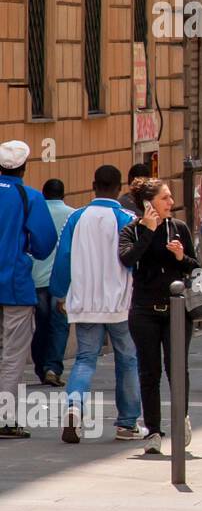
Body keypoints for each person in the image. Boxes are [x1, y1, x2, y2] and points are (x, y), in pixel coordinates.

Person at [50, 165, 143, 443]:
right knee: (127, 360)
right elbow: (135, 260)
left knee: (84, 359)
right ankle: (127, 423)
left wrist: (60, 293)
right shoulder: (127, 218)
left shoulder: (76, 218)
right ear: (118, 188)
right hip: (120, 303)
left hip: (85, 301)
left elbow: (63, 257)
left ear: (93, 185)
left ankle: (74, 408)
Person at [118, 177, 198, 455]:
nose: (171, 203)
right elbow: (128, 260)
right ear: (148, 203)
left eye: (170, 197)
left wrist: (180, 258)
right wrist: (149, 232)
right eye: (165, 198)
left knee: (177, 369)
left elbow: (194, 266)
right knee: (148, 371)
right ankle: (152, 430)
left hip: (177, 310)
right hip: (144, 310)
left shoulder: (179, 228)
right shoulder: (131, 230)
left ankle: (182, 418)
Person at [0, 142, 58, 438]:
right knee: (13, 353)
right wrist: (28, 251)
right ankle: (4, 418)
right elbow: (45, 243)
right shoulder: (29, 197)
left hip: (14, 283)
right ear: (24, 167)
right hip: (14, 284)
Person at [32, 178, 74, 387]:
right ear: (63, 194)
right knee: (60, 325)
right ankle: (53, 367)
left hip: (36, 278)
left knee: (40, 325)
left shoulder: (35, 211)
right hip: (62, 280)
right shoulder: (72, 215)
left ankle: (40, 367)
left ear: (43, 193)